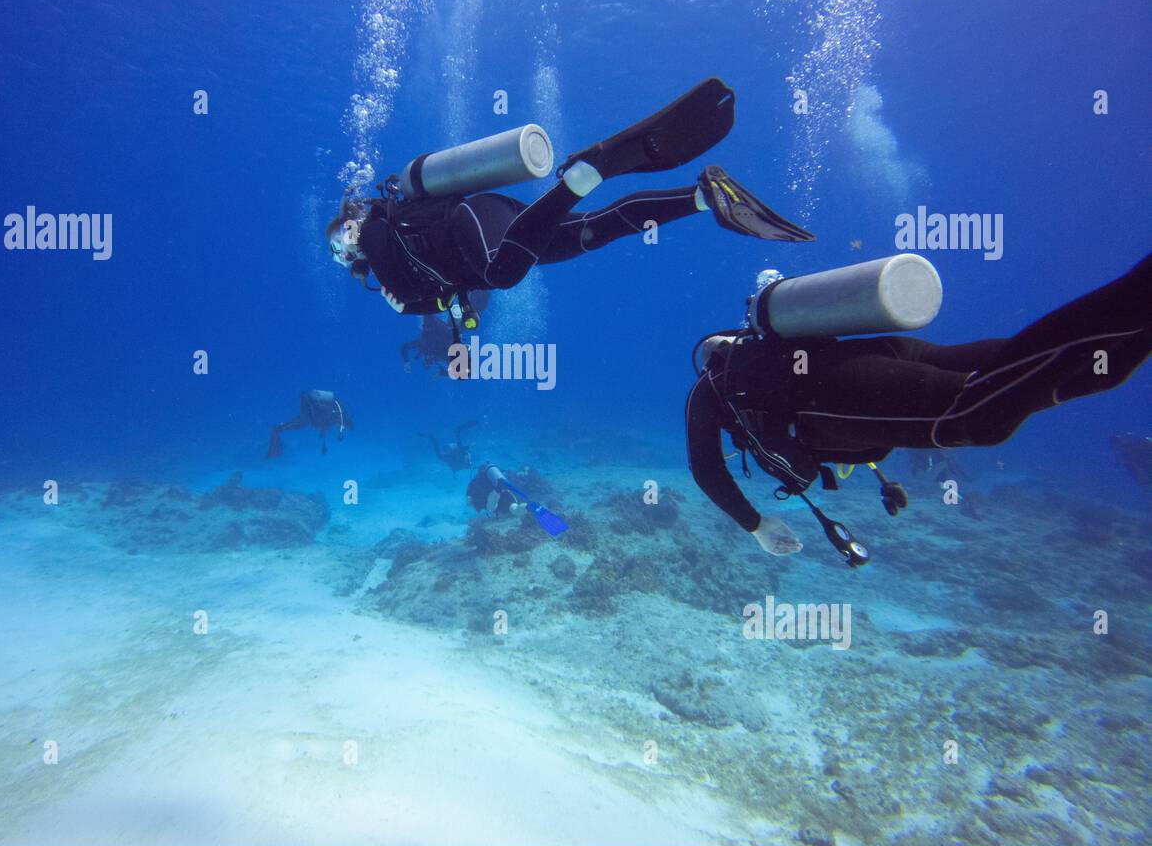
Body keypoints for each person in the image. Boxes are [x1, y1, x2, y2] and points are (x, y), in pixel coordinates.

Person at [686, 253, 1152, 562]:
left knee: (972, 419)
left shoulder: (711, 388)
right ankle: (1134, 313)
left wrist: (757, 525)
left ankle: (1135, 294)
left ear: (705, 362)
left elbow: (706, 469)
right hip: (884, 355)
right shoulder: (767, 346)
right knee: (1018, 362)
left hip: (843, 389)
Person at [326, 78, 814, 327]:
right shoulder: (391, 259)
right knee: (591, 232)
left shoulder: (375, 230)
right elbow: (451, 298)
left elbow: (415, 285)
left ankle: (583, 176)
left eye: (339, 245)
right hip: (501, 229)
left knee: (505, 274)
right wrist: (415, 305)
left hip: (475, 223)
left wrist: (404, 305)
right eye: (340, 254)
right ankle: (704, 196)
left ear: (349, 228)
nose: (345, 255)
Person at [401, 291, 490, 374]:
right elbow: (465, 371)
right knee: (429, 312)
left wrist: (406, 361)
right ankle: (467, 293)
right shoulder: (439, 354)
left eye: (428, 360)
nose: (429, 359)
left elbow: (404, 347)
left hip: (442, 330)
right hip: (447, 331)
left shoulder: (424, 345)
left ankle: (461, 293)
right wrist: (443, 373)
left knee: (428, 312)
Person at [268, 390, 353, 456]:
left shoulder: (337, 412)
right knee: (300, 423)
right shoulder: (339, 413)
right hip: (312, 410)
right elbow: (327, 422)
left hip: (311, 408)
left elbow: (325, 422)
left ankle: (280, 428)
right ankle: (279, 428)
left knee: (300, 422)